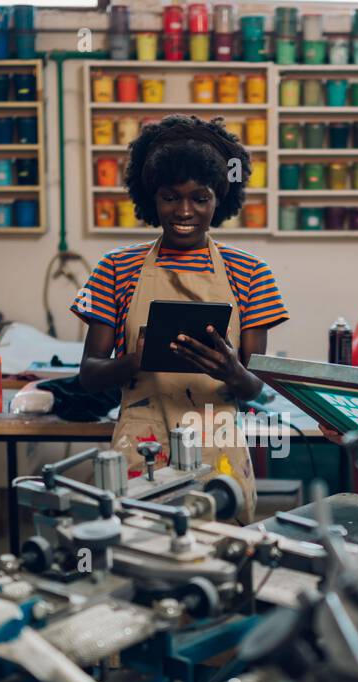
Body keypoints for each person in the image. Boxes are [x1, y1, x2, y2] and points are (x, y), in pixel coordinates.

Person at [72, 115, 289, 523]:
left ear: (220, 199)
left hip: (218, 447)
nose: (184, 211)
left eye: (200, 197)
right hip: (140, 446)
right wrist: (132, 363)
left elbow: (259, 390)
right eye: (171, 197)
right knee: (139, 554)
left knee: (218, 561)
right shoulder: (115, 268)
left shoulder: (251, 272)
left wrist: (232, 372)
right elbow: (87, 375)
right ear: (150, 198)